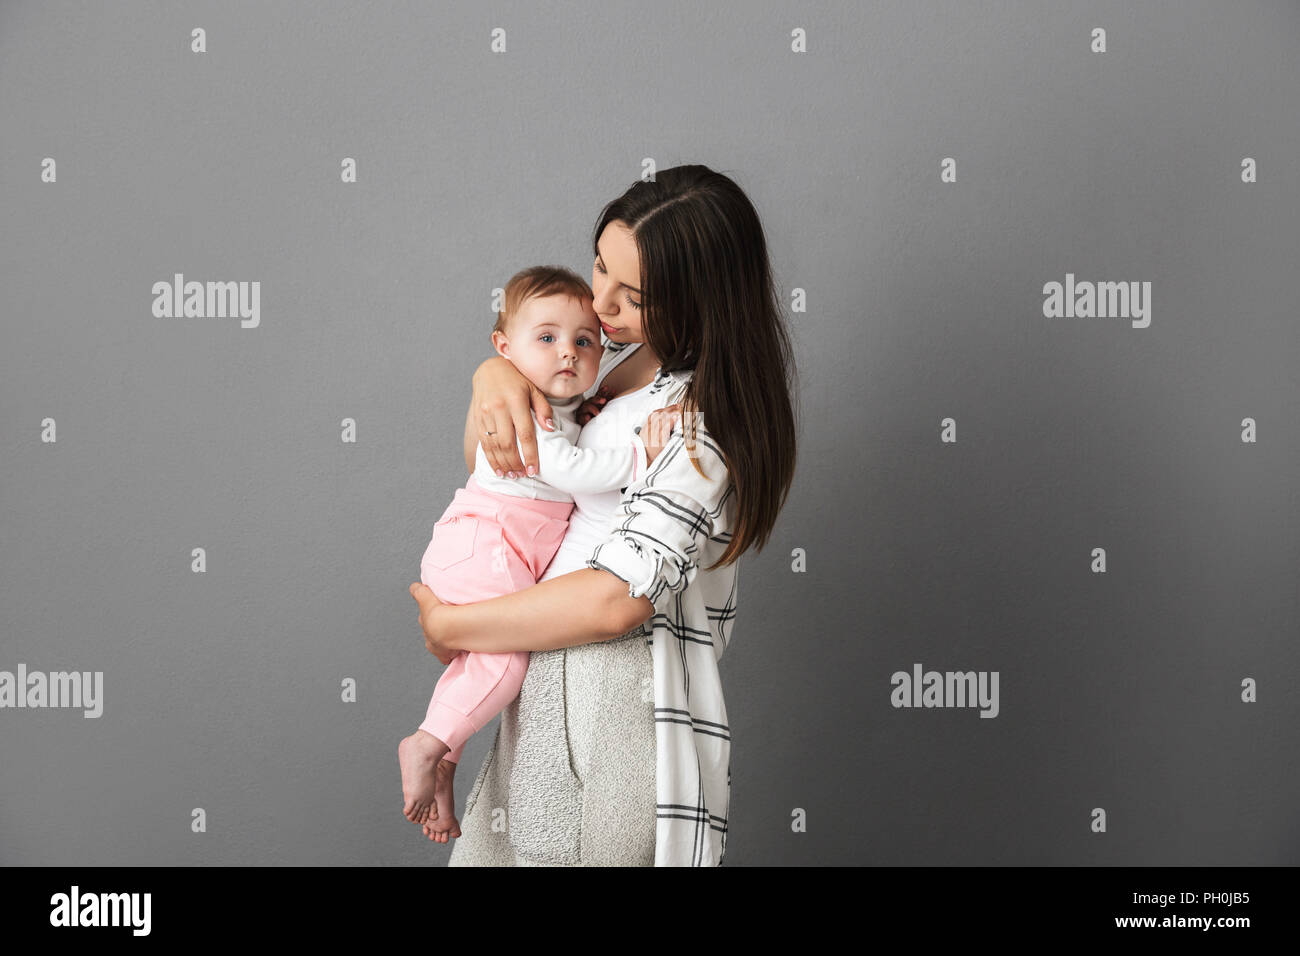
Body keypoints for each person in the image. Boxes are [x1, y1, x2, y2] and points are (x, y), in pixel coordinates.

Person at [409, 164, 798, 866]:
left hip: (612, 702)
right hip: (544, 685)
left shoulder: (700, 427)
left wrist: (453, 624)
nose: (601, 304)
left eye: (634, 295)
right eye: (599, 270)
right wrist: (494, 374)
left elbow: (619, 600)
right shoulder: (616, 357)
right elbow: (493, 457)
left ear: (697, 301)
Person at [398, 265, 673, 837]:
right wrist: (640, 457)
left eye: (583, 342)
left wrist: (587, 412)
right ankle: (428, 743)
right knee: (505, 659)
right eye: (546, 339)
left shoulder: (564, 405)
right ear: (505, 347)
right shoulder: (536, 414)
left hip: (495, 548)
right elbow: (573, 471)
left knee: (485, 661)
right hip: (485, 545)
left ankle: (445, 759)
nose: (567, 353)